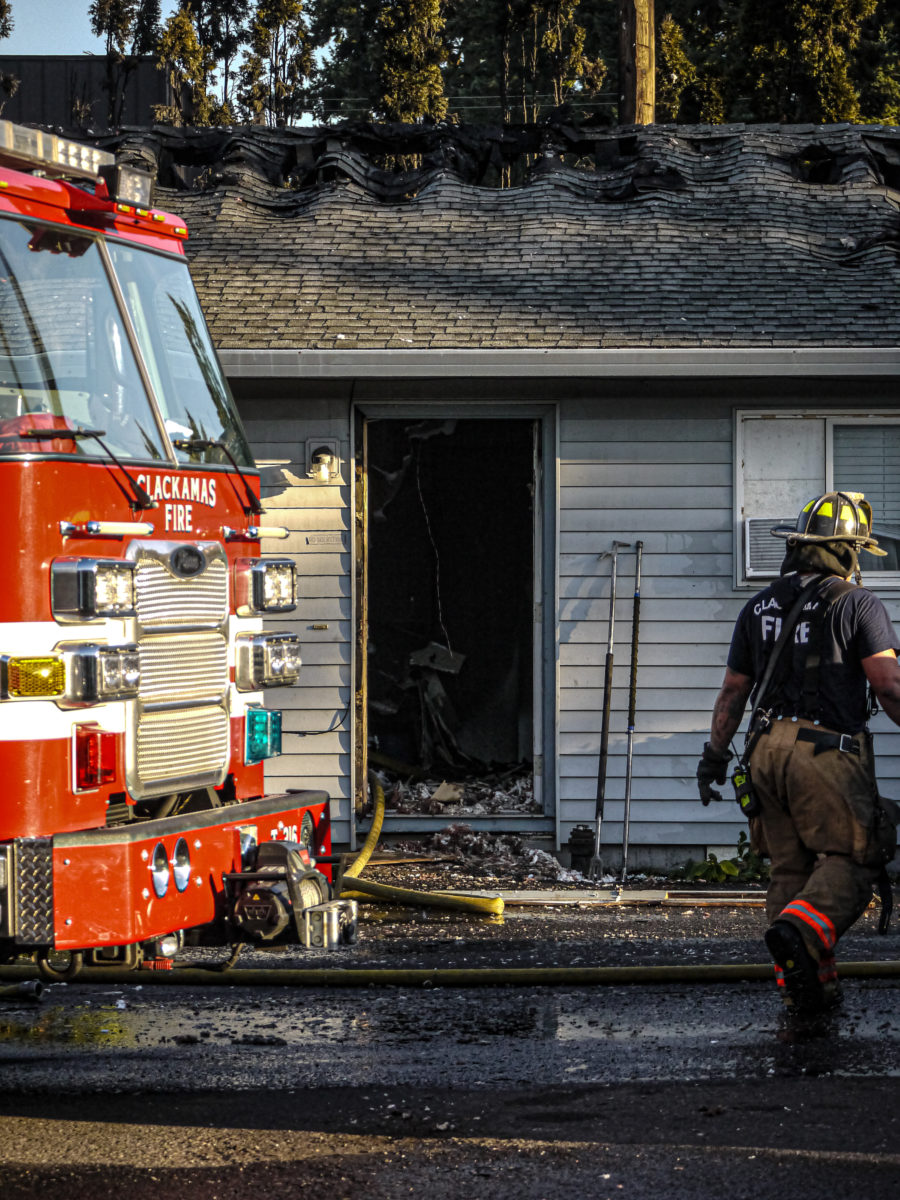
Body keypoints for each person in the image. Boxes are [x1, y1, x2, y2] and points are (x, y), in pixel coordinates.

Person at [697, 491, 900, 1013]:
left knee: (790, 870)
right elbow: (889, 685)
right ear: (849, 551)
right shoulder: (858, 603)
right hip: (824, 751)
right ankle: (794, 932)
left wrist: (714, 757)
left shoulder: (759, 605)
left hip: (763, 753)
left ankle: (808, 990)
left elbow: (732, 692)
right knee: (855, 860)